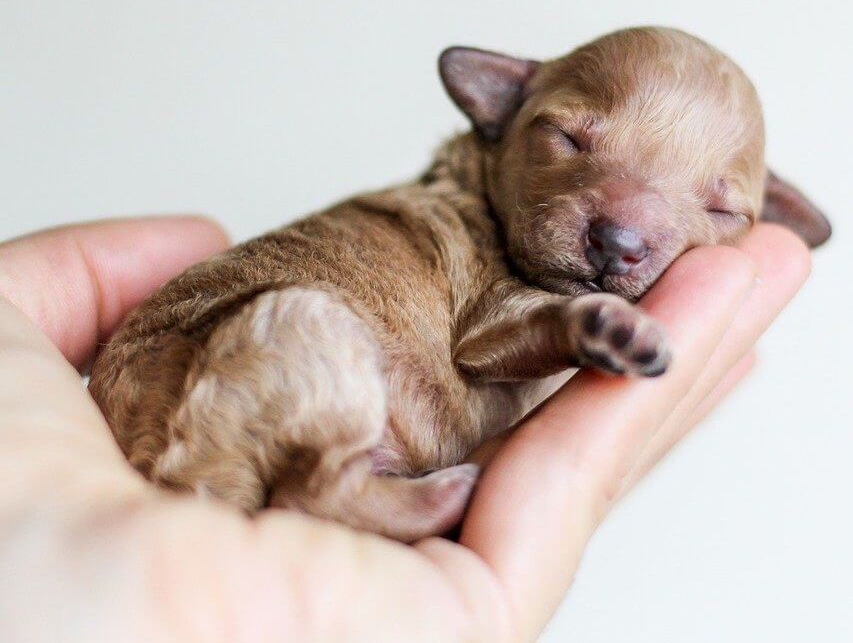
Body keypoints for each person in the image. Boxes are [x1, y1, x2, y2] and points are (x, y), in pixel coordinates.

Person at [0, 216, 810, 642]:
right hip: (244, 390)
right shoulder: (463, 228)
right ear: (501, 106)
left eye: (712, 205)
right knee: (312, 335)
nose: (624, 230)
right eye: (570, 139)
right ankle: (342, 489)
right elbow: (485, 340)